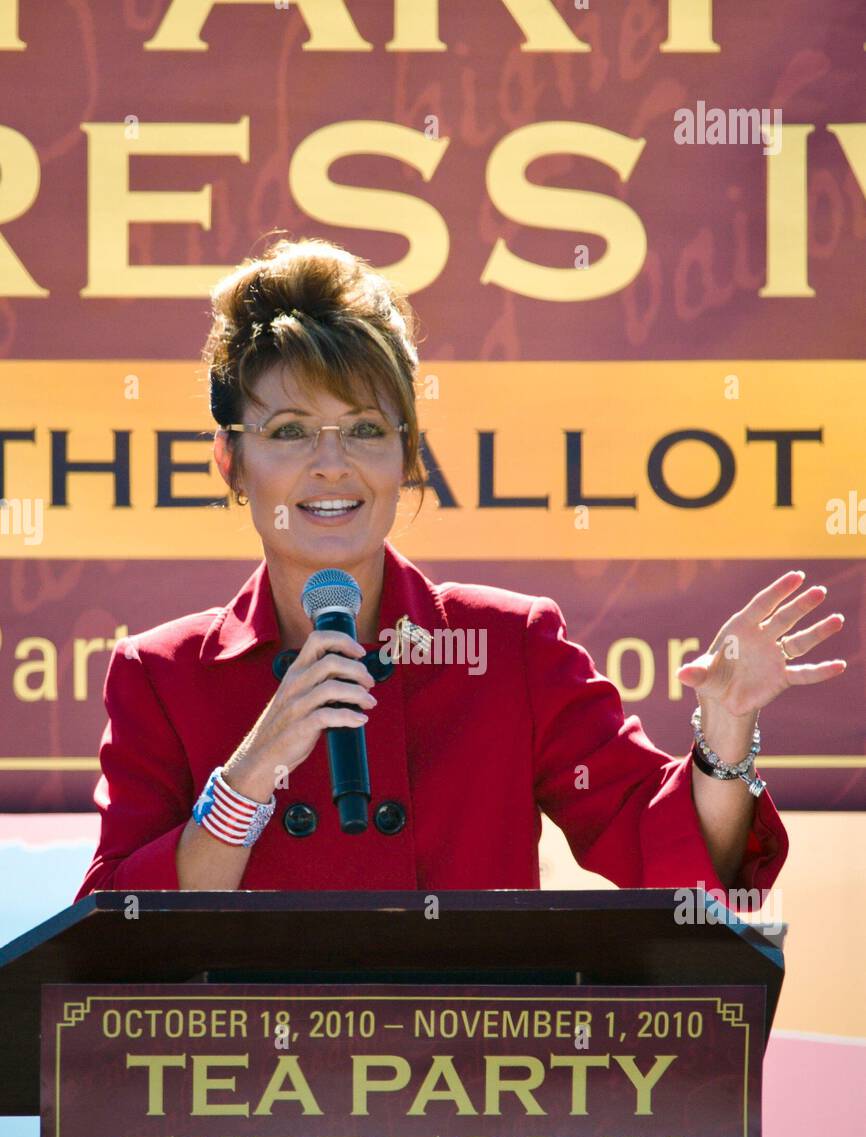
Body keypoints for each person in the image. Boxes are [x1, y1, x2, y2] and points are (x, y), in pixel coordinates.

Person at [74, 237, 846, 902]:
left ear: (408, 456)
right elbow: (114, 937)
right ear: (230, 460)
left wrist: (726, 731)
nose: (333, 466)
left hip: (470, 1074)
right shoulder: (161, 676)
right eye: (290, 431)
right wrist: (248, 776)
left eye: (367, 429)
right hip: (252, 1080)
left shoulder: (509, 645)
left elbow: (676, 864)